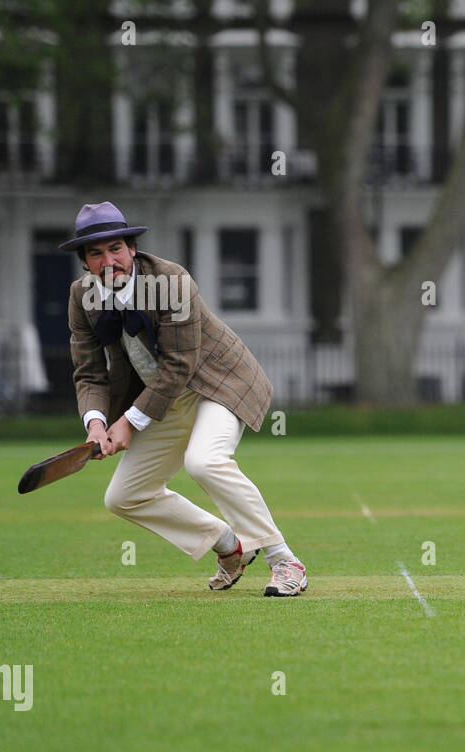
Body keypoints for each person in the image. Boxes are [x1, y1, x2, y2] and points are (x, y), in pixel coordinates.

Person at [61, 201, 307, 596]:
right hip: (161, 398)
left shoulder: (173, 281)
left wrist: (127, 422)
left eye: (116, 249)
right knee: (124, 496)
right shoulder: (81, 297)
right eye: (96, 253)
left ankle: (285, 561)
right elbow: (89, 372)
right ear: (85, 263)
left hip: (216, 384)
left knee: (204, 461)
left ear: (132, 250)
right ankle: (229, 546)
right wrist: (96, 424)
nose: (109, 260)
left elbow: (180, 366)